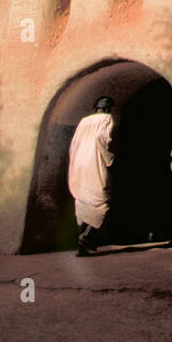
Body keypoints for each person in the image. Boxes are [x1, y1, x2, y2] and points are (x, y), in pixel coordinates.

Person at [67, 96, 115, 257]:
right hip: (95, 163)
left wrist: (74, 162)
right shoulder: (106, 119)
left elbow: (74, 143)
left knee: (82, 203)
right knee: (101, 202)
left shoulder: (84, 121)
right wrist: (109, 158)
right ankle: (86, 237)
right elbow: (102, 138)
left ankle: (83, 244)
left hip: (80, 164)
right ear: (108, 108)